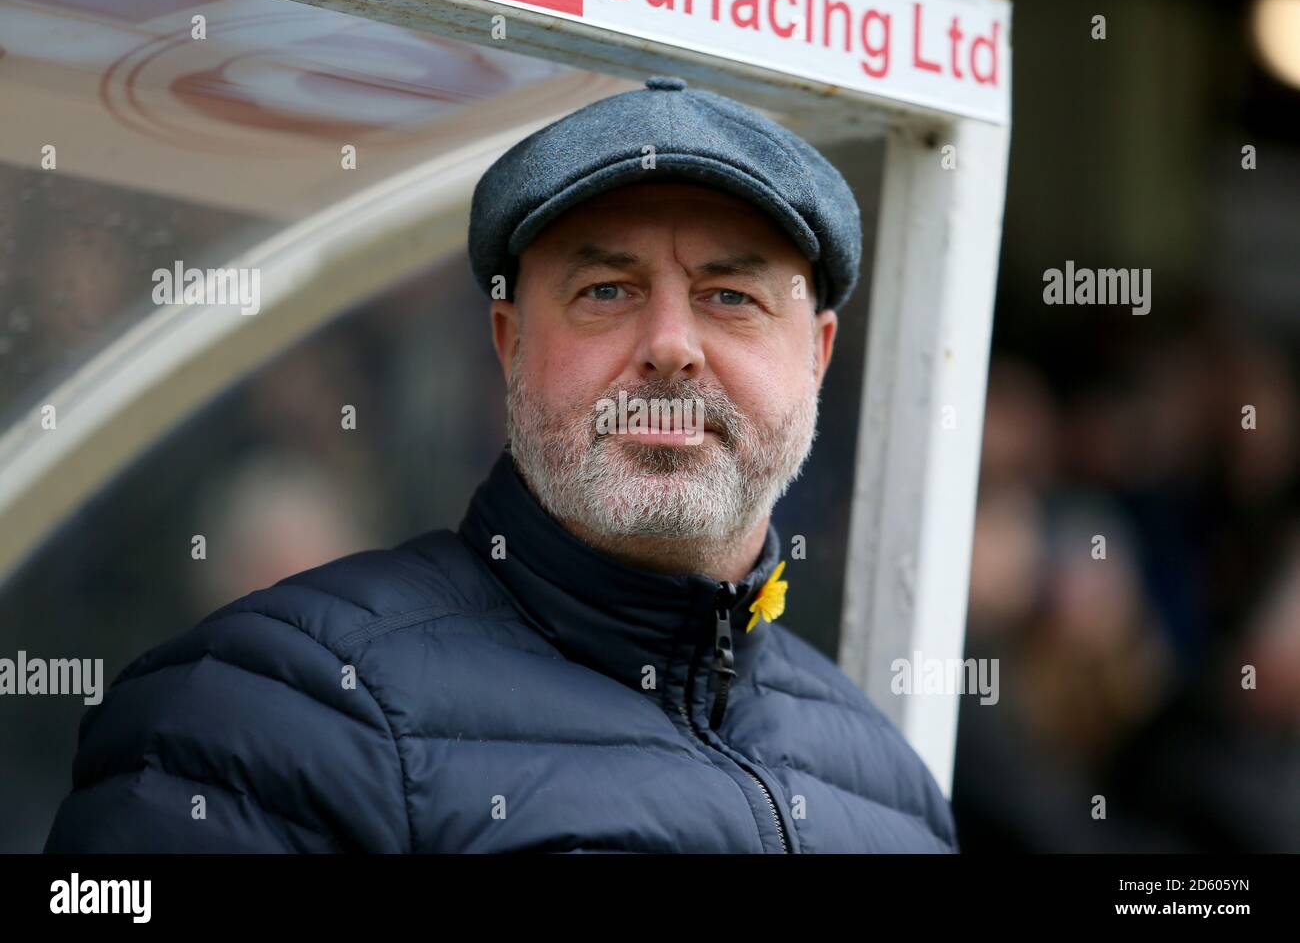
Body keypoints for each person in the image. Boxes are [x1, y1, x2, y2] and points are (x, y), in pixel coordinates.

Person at [44, 76, 956, 853]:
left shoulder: (896, 799)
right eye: (608, 290)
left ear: (817, 356)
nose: (672, 345)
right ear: (510, 343)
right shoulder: (270, 717)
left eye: (730, 295)